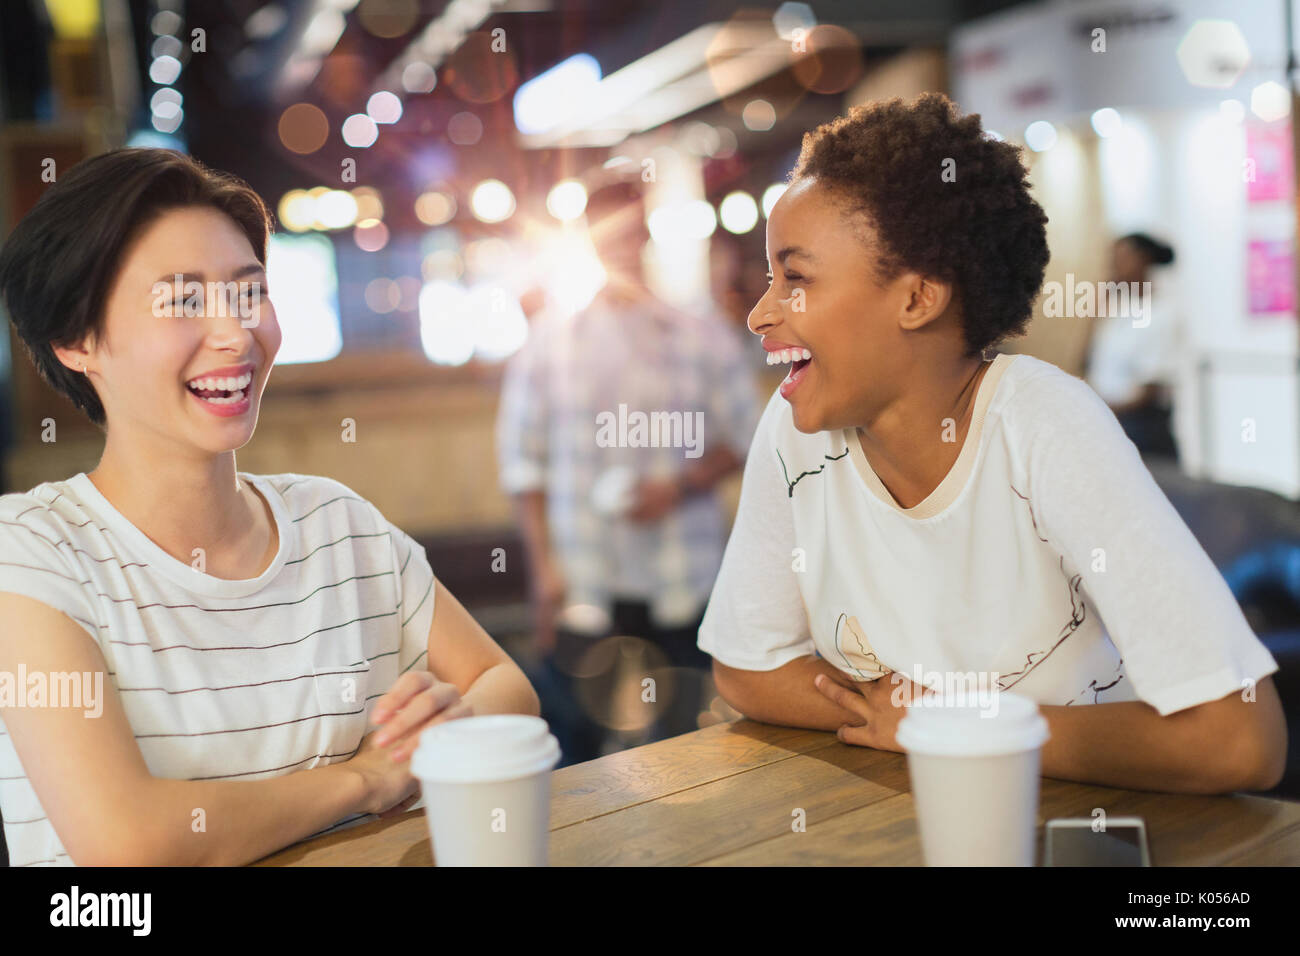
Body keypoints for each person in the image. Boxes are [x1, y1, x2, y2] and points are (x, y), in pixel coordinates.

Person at [698, 94, 1287, 795]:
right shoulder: (797, 431)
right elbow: (746, 667)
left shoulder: (1045, 425)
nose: (763, 312)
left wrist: (953, 722)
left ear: (918, 298)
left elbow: (1238, 742)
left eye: (795, 278)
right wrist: (914, 720)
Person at [0, 149, 539, 867]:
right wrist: (369, 777)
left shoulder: (335, 522)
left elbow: (508, 689)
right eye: (183, 301)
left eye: (249, 293)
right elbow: (128, 842)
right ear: (78, 339)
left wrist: (450, 725)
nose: (235, 334)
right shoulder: (32, 554)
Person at [497, 178, 760, 765]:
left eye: (630, 226)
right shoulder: (549, 341)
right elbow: (524, 465)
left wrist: (681, 485)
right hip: (585, 574)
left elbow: (747, 436)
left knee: (686, 744)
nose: (620, 241)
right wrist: (543, 573)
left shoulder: (700, 334)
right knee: (569, 741)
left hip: (682, 575)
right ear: (588, 237)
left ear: (644, 230)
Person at [1083, 233, 1181, 460]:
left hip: (1142, 430)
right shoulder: (1117, 309)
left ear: (1143, 260)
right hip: (1109, 424)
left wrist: (1096, 410)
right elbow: (1087, 360)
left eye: (1120, 259)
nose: (1113, 267)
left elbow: (1149, 392)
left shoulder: (1163, 314)